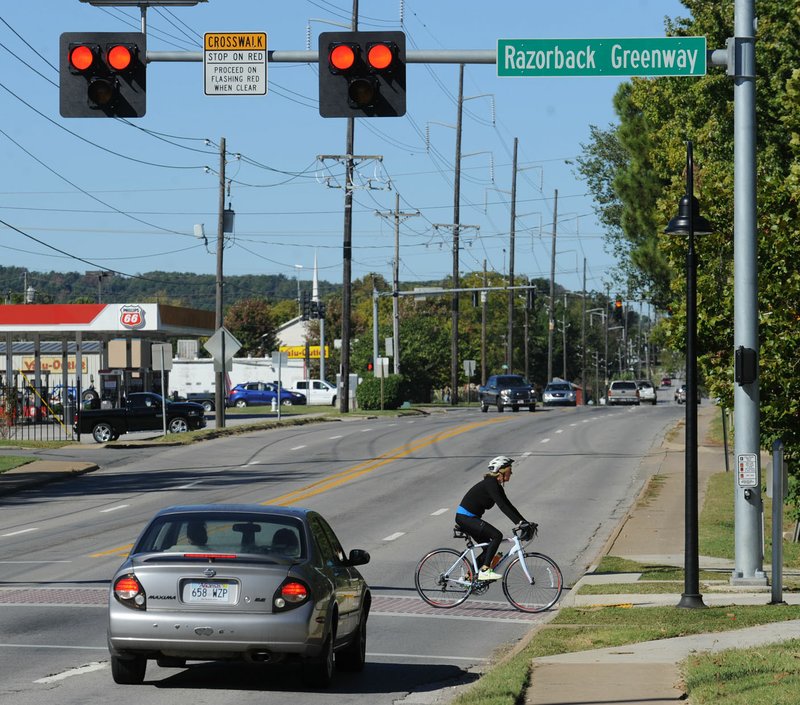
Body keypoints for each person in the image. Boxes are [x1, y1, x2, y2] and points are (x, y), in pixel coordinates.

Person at [455, 455, 536, 581]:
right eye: (510, 470)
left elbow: (508, 505)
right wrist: (520, 523)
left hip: (468, 517)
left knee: (488, 549)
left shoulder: (495, 485)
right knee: (497, 536)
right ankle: (485, 570)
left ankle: (468, 577)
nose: (511, 472)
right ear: (501, 471)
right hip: (465, 518)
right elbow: (502, 506)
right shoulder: (490, 483)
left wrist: (523, 522)